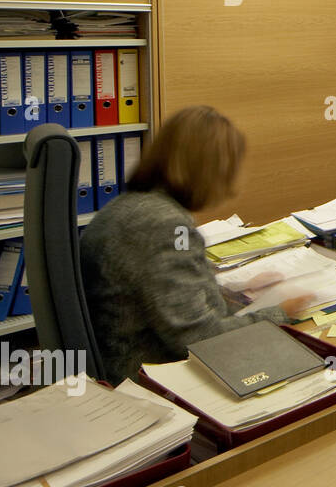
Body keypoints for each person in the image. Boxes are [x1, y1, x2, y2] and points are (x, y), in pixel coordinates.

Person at [80, 106, 311, 385]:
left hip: (130, 357)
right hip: (151, 378)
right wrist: (280, 313)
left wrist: (237, 293)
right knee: (310, 366)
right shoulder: (164, 226)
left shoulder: (137, 208)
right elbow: (200, 339)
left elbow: (166, 299)